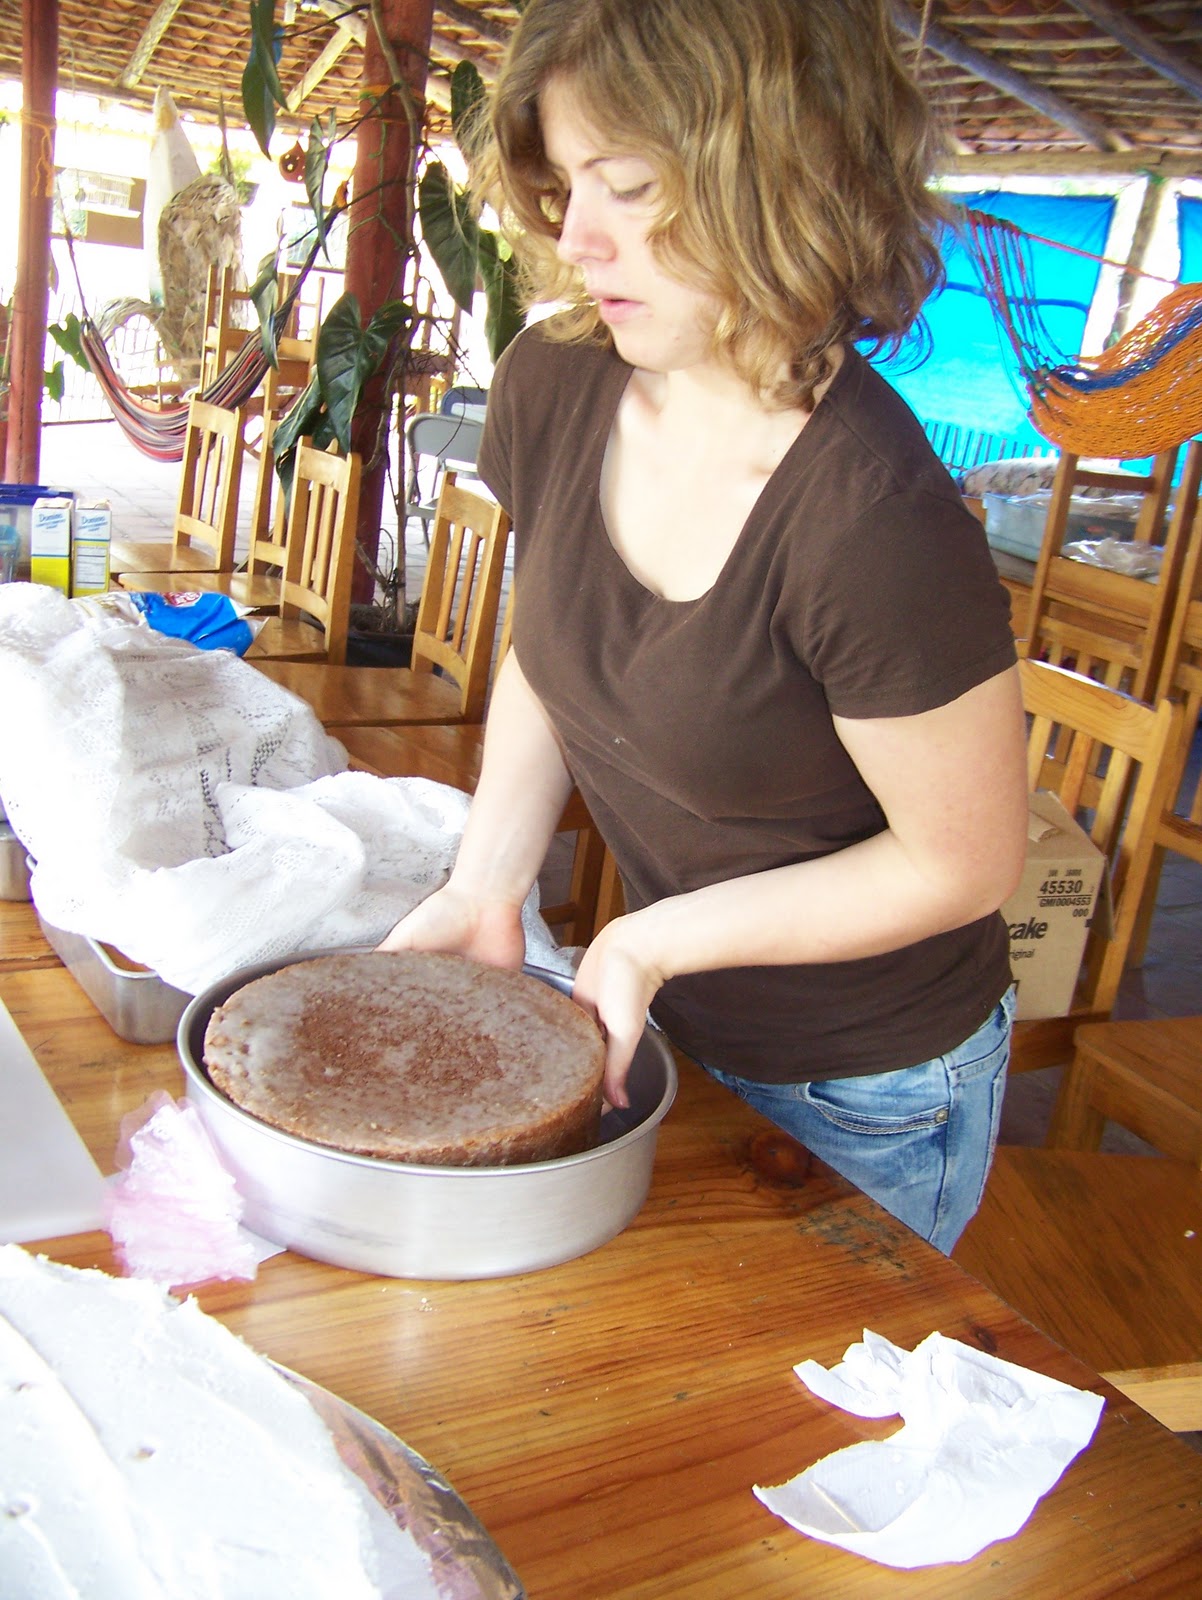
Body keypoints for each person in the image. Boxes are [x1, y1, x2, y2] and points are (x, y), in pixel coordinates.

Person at [382, 0, 1029, 1253]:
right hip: (665, 1014)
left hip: (865, 1084)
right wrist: (484, 883)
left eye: (628, 186)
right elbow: (549, 646)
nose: (576, 237)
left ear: (779, 179)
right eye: (566, 184)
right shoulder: (556, 379)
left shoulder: (868, 519)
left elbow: (964, 864)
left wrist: (644, 940)